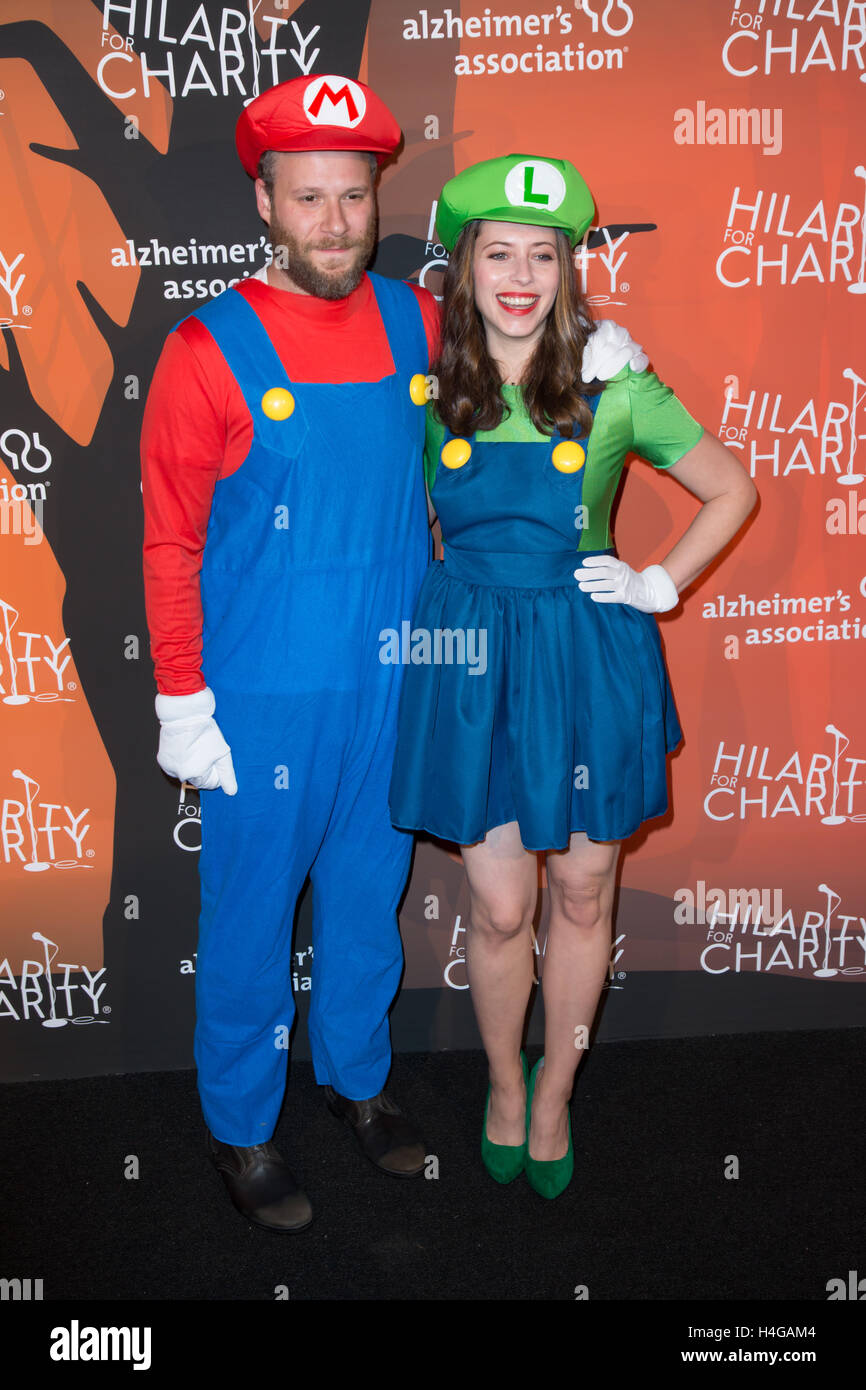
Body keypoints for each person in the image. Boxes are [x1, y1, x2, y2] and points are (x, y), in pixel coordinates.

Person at [141, 82, 649, 1232]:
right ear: (263, 200)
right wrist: (181, 692)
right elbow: (168, 539)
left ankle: (357, 1085)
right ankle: (240, 1123)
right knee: (249, 921)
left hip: (400, 675)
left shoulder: (412, 325)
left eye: (352, 196)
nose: (331, 219)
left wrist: (598, 349)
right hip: (261, 698)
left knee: (370, 906)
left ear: (378, 203)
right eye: (307, 195)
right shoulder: (202, 350)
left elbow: (515, 372)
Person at [388, 154, 757, 1200]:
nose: (518, 275)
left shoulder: (614, 379)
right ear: (463, 267)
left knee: (587, 888)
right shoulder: (421, 384)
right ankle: (504, 1083)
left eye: (540, 255)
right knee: (499, 907)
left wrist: (658, 581)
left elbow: (729, 489)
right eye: (496, 253)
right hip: (466, 653)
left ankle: (555, 1093)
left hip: (587, 651)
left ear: (566, 268)